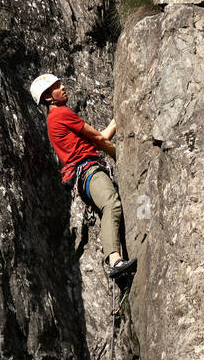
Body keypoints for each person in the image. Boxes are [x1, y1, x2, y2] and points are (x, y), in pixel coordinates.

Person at [30, 74, 137, 281]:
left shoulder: (53, 120)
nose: (63, 87)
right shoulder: (61, 114)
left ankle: (119, 265)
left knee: (110, 208)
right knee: (111, 205)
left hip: (84, 177)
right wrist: (120, 156)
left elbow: (100, 138)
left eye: (61, 83)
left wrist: (116, 121)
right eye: (56, 87)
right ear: (48, 98)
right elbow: (98, 138)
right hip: (89, 171)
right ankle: (115, 261)